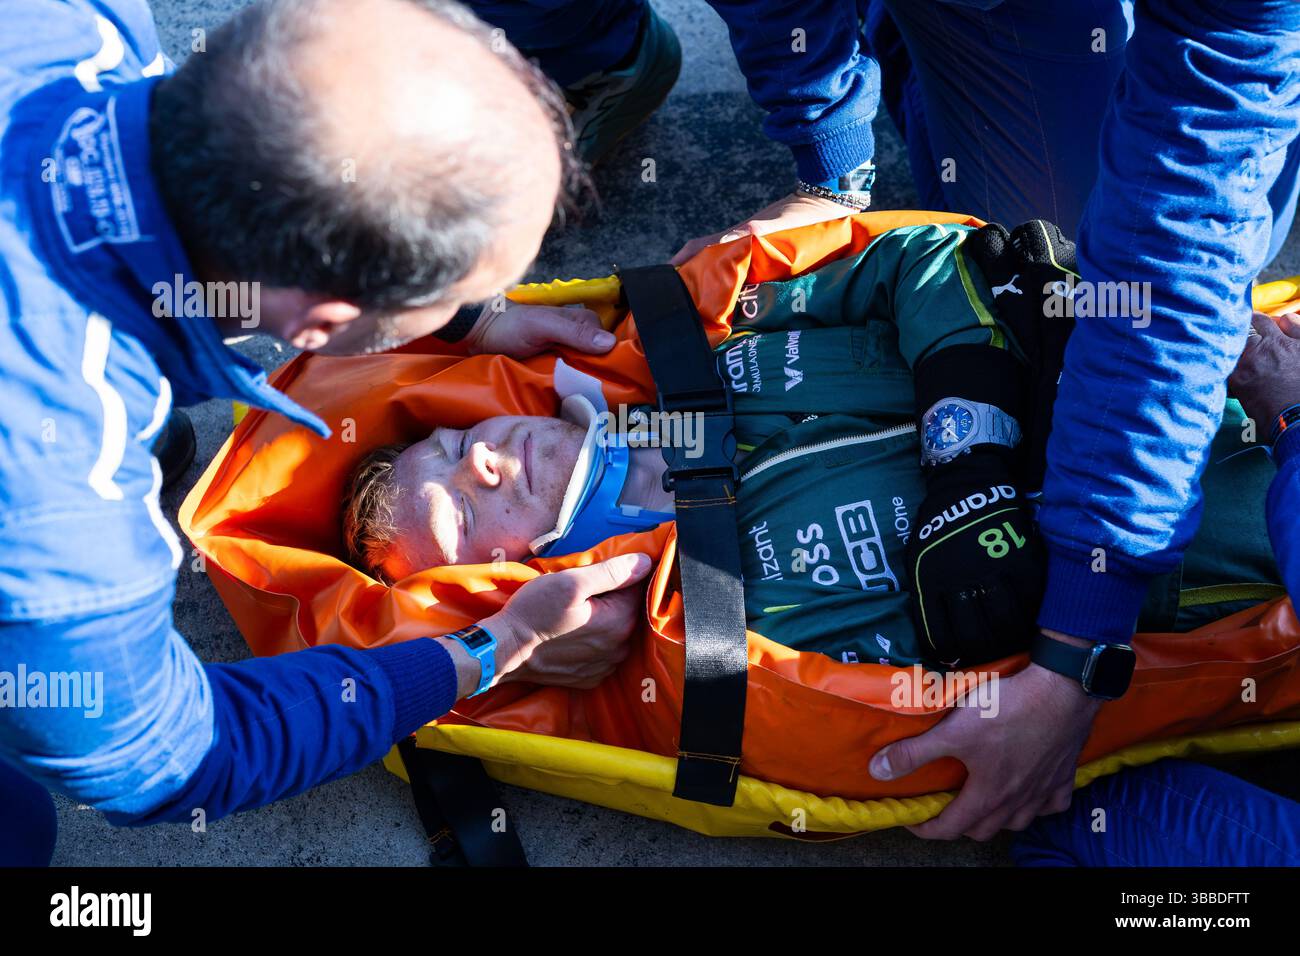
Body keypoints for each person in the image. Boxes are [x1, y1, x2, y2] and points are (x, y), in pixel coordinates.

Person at [0, 0, 653, 865]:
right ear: (330, 321)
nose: (488, 455)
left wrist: (463, 318)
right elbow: (159, 759)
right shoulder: (59, 526)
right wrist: (494, 647)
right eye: (450, 296)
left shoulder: (73, 25)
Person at [338, 222, 1278, 669]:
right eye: (465, 508)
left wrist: (968, 450)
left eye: (456, 440)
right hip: (1203, 528)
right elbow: (962, 651)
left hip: (1169, 350)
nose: (486, 456)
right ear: (503, 579)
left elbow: (932, 262)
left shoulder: (704, 349)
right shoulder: (742, 620)